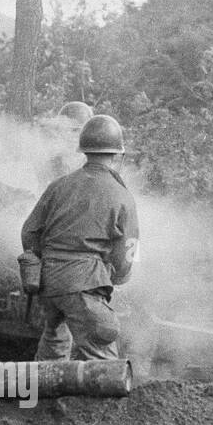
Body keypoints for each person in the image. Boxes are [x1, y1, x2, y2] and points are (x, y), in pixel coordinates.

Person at [20, 114, 140, 361]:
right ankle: (98, 400)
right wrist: (117, 277)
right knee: (101, 349)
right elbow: (129, 248)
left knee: (54, 338)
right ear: (118, 155)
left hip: (49, 283)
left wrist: (45, 263)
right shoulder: (122, 195)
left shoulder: (58, 185)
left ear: (83, 150)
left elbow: (29, 232)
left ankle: (44, 396)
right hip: (85, 281)